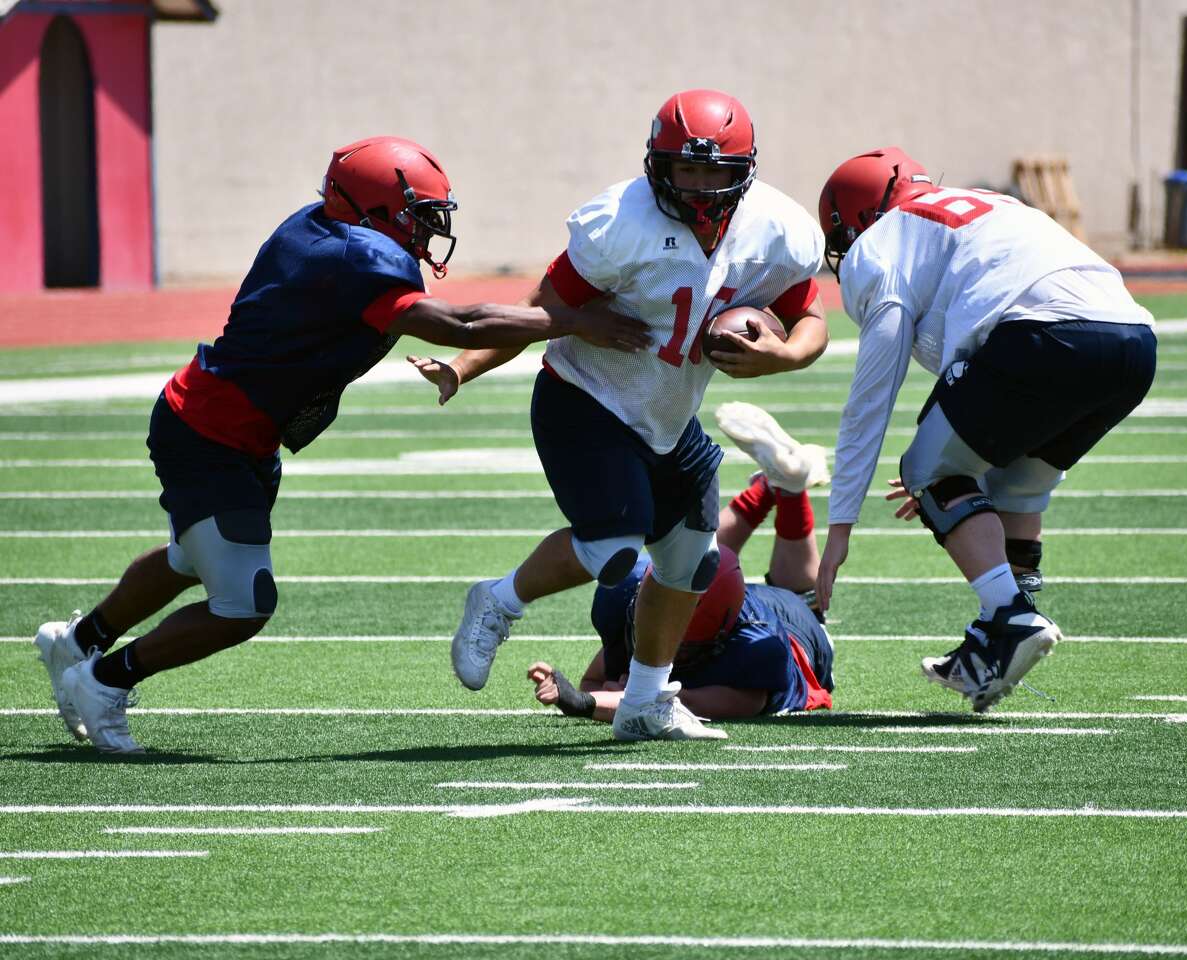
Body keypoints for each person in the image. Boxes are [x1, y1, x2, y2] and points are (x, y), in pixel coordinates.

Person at [33, 135, 650, 754]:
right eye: (417, 213)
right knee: (243, 604)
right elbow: (459, 324)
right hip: (211, 434)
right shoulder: (359, 259)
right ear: (372, 210)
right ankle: (104, 680)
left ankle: (81, 639)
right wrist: (570, 320)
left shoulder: (323, 227)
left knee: (191, 559)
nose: (429, 226)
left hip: (223, 422)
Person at [413, 89, 828, 741]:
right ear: (658, 165)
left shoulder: (775, 229)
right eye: (685, 168)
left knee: (692, 560)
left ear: (742, 170)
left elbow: (809, 318)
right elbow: (540, 304)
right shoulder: (621, 226)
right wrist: (464, 367)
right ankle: (498, 601)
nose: (697, 185)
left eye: (713, 171)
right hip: (584, 396)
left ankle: (644, 703)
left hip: (667, 414)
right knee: (613, 540)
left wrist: (782, 358)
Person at [813, 147, 1156, 712]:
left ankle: (1010, 615)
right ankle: (1000, 641)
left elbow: (871, 396)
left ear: (851, 222)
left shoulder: (878, 246)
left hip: (1045, 339)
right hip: (1133, 342)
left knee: (928, 469)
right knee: (1017, 481)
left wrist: (843, 523)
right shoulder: (987, 205)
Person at [528, 431, 835, 723]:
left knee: (804, 603)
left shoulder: (758, 653)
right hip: (730, 601)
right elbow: (596, 681)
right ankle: (778, 485)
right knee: (695, 559)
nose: (670, 645)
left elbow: (659, 704)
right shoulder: (636, 600)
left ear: (720, 640)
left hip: (795, 629)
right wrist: (604, 692)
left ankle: (782, 488)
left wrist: (584, 700)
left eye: (682, 643)